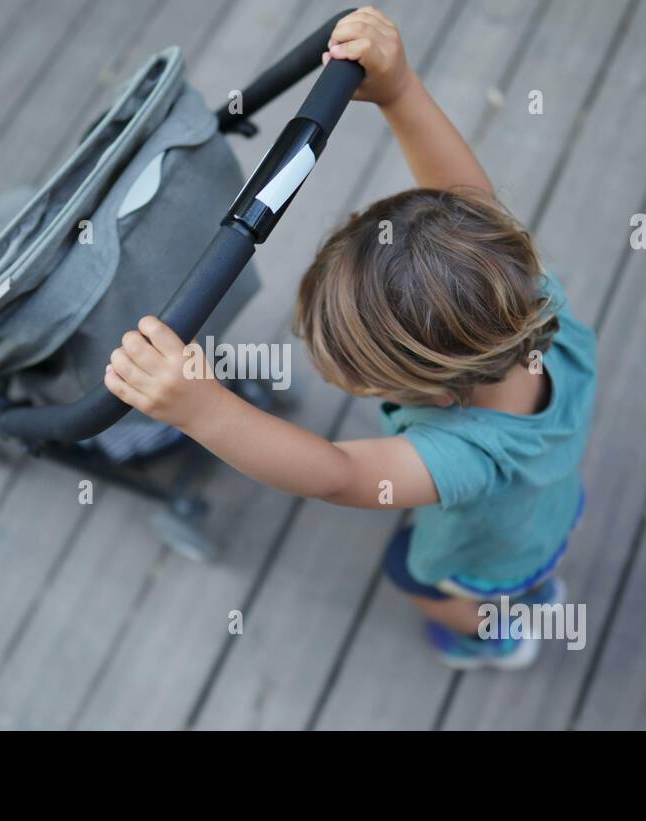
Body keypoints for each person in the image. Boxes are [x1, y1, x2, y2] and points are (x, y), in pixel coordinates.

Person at [103, 7, 596, 669]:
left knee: (415, 575)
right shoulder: (526, 298)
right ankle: (532, 589)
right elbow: (467, 200)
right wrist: (401, 92)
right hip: (547, 502)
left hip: (486, 555)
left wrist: (203, 409)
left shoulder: (468, 454)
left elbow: (341, 476)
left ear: (426, 389)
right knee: (522, 553)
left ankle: (492, 632)